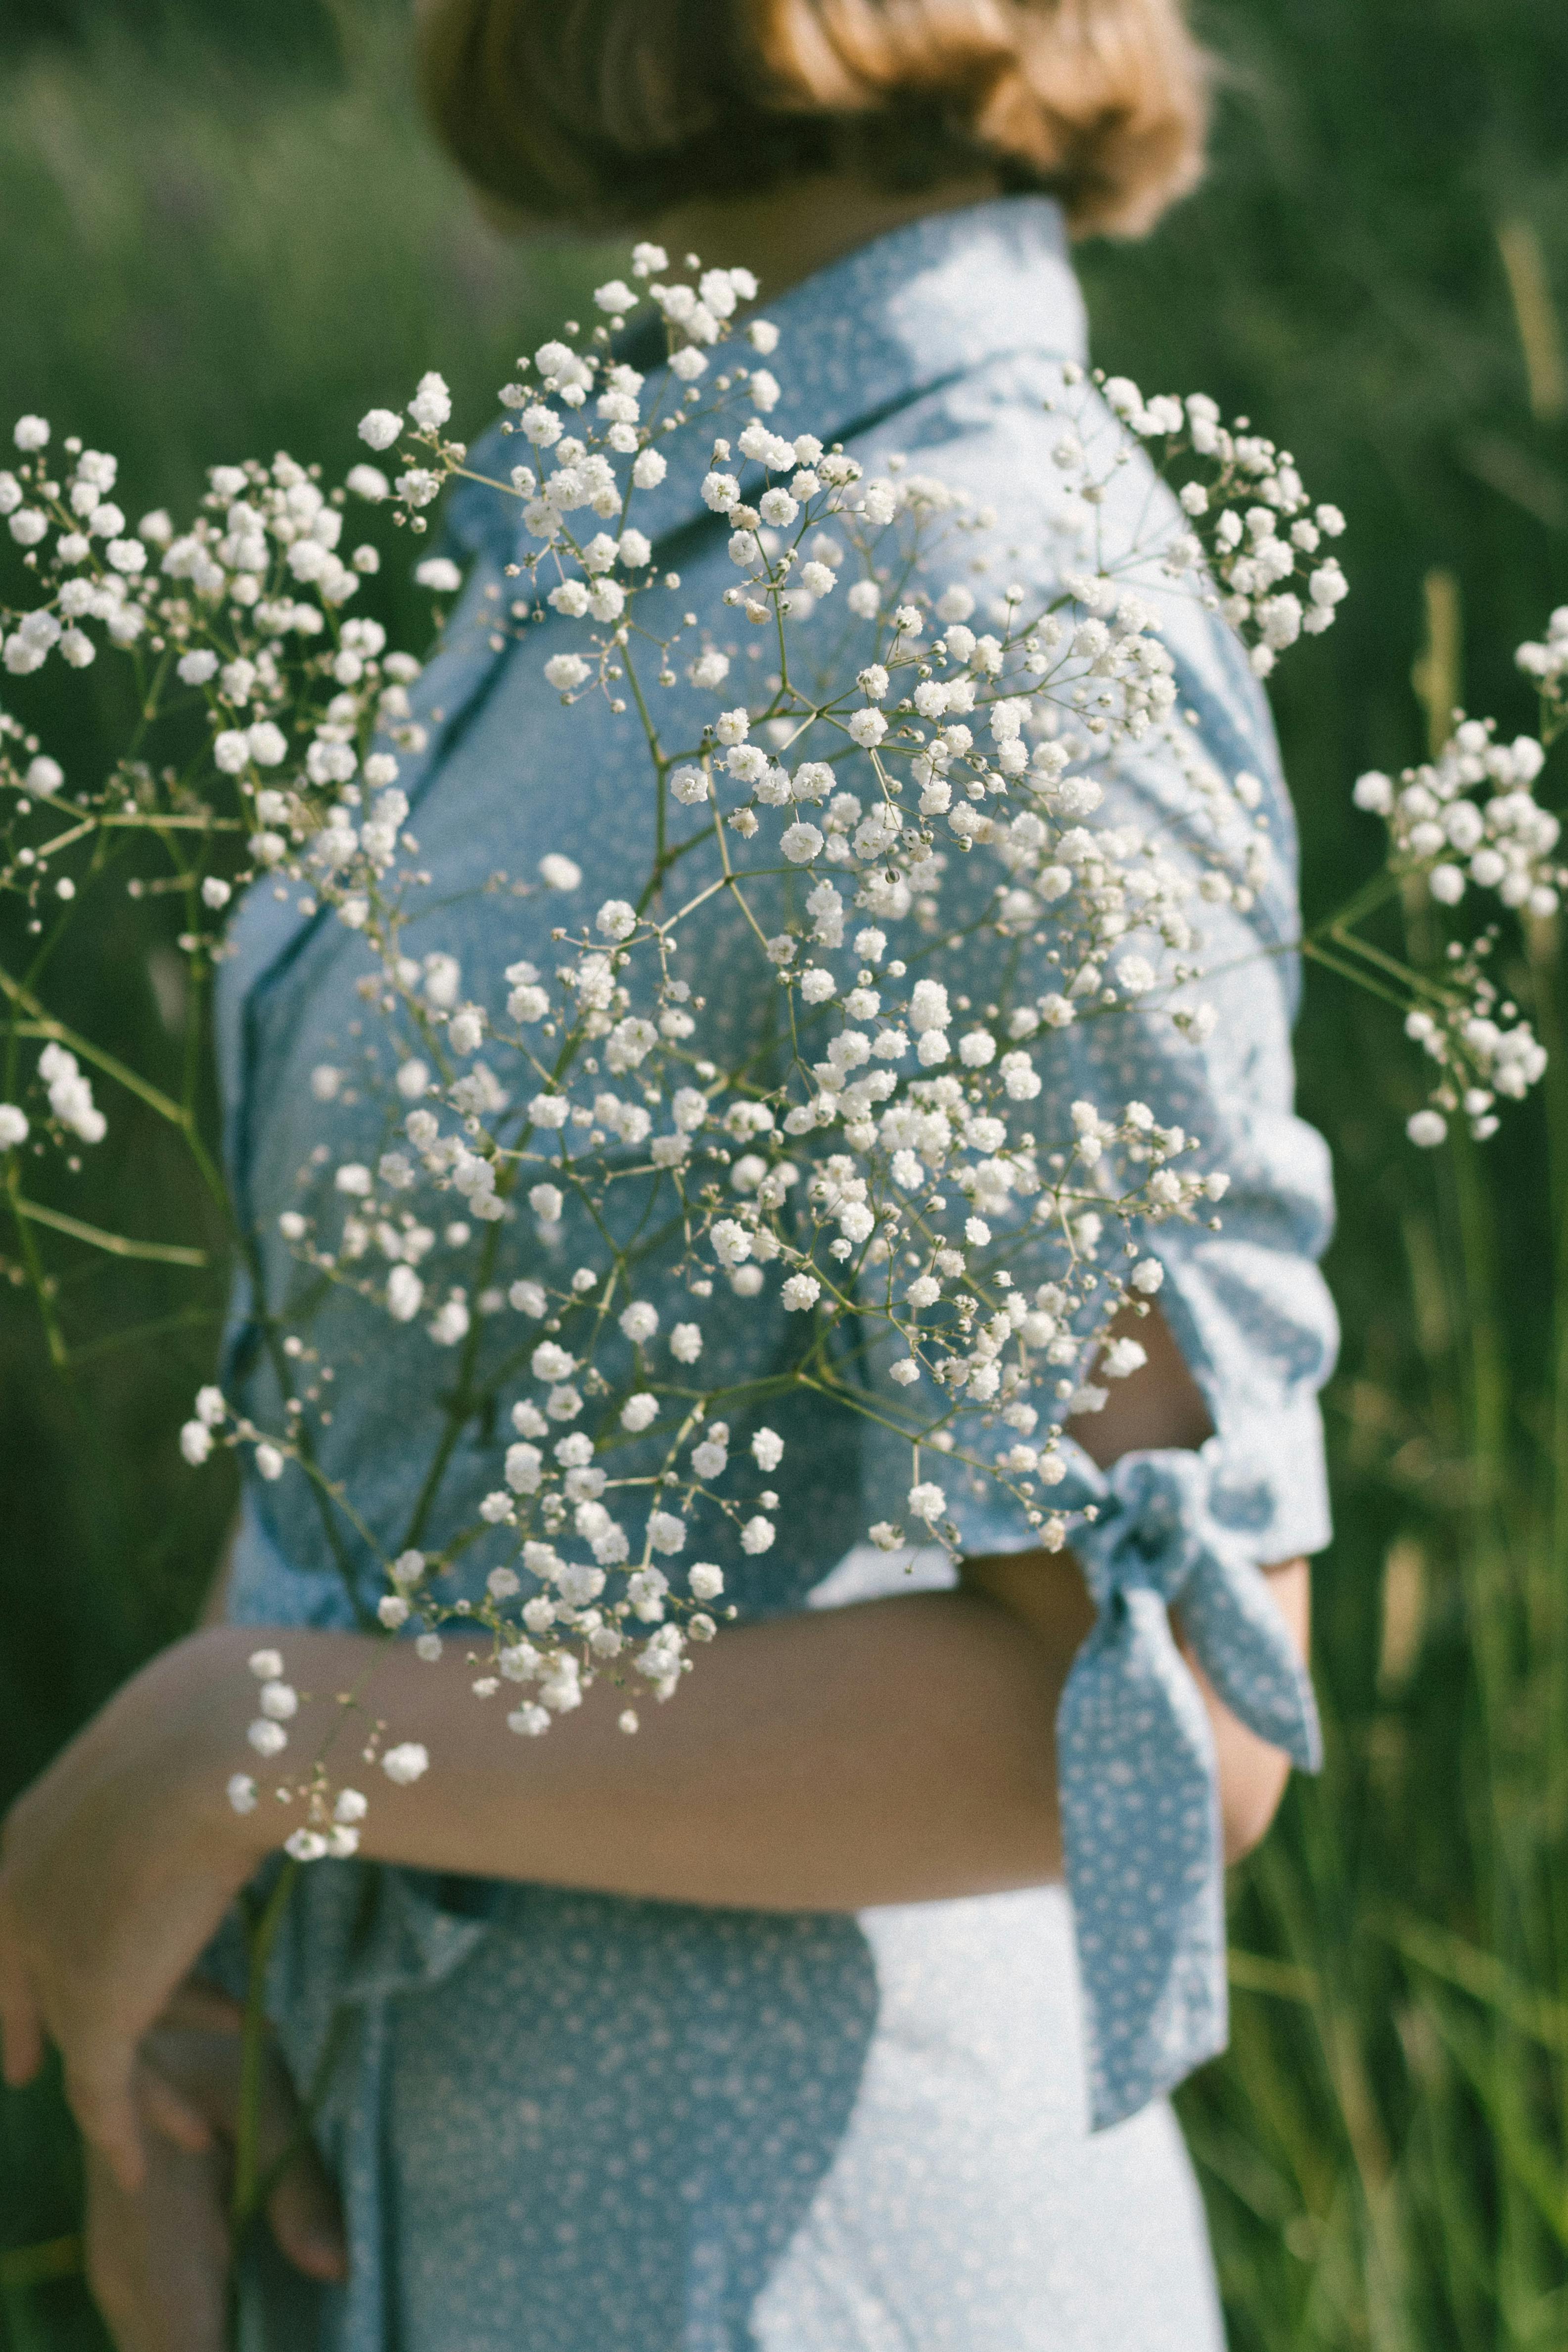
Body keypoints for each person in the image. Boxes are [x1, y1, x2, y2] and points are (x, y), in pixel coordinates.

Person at [0, 3, 1340, 2346]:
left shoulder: (972, 588)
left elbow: (1157, 1733)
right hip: (431, 2220)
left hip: (776, 2271)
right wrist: (234, 1972)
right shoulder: (675, 506)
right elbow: (421, 1386)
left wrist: (270, 1747)